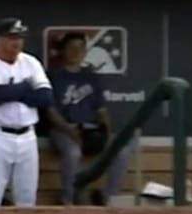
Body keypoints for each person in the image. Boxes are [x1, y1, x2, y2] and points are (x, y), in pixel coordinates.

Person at [0, 18, 52, 208]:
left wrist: (15, 91)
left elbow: (45, 97)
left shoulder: (30, 62)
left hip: (27, 135)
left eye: (19, 37)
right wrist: (26, 88)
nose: (16, 42)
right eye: (11, 37)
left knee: (27, 197)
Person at [46, 32, 132, 205]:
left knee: (121, 151)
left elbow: (101, 109)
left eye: (80, 48)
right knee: (72, 152)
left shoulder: (90, 76)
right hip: (63, 129)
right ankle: (68, 198)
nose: (76, 52)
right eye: (72, 48)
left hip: (89, 128)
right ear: (63, 51)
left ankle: (108, 198)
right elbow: (50, 112)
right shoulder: (53, 76)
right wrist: (69, 130)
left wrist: (105, 131)